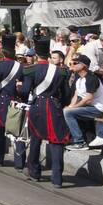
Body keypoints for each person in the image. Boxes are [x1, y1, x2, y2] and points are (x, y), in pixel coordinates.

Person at [25, 50, 72, 187]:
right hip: (54, 106)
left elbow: (24, 91)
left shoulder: (30, 69)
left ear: (36, 55)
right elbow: (67, 93)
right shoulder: (61, 71)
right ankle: (57, 178)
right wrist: (60, 104)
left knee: (35, 138)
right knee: (56, 140)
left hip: (37, 106)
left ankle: (34, 171)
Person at [63, 53, 103, 150]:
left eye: (75, 63)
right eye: (70, 63)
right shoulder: (79, 80)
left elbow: (89, 98)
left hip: (97, 109)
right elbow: (76, 96)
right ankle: (67, 139)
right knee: (66, 110)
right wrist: (70, 106)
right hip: (87, 108)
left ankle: (79, 142)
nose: (71, 65)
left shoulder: (92, 78)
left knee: (68, 112)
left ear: (84, 65)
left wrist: (73, 108)